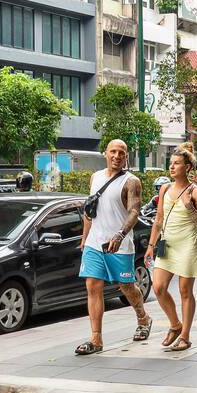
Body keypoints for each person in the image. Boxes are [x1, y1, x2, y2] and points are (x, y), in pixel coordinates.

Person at [75, 139, 152, 356]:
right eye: (113, 152)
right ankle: (96, 338)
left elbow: (134, 212)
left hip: (119, 244)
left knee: (126, 287)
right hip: (94, 243)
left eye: (121, 153)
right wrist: (84, 237)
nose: (117, 156)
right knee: (92, 286)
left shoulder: (131, 181)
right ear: (105, 153)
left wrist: (120, 234)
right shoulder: (96, 177)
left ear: (126, 157)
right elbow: (91, 210)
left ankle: (143, 318)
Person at [145, 146, 197, 352]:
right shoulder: (165, 189)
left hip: (188, 244)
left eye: (177, 163)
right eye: (171, 163)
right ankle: (175, 324)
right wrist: (151, 245)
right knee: (158, 287)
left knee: (184, 291)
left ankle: (185, 336)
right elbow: (159, 220)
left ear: (187, 167)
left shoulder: (196, 192)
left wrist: (189, 206)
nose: (172, 166)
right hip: (167, 244)